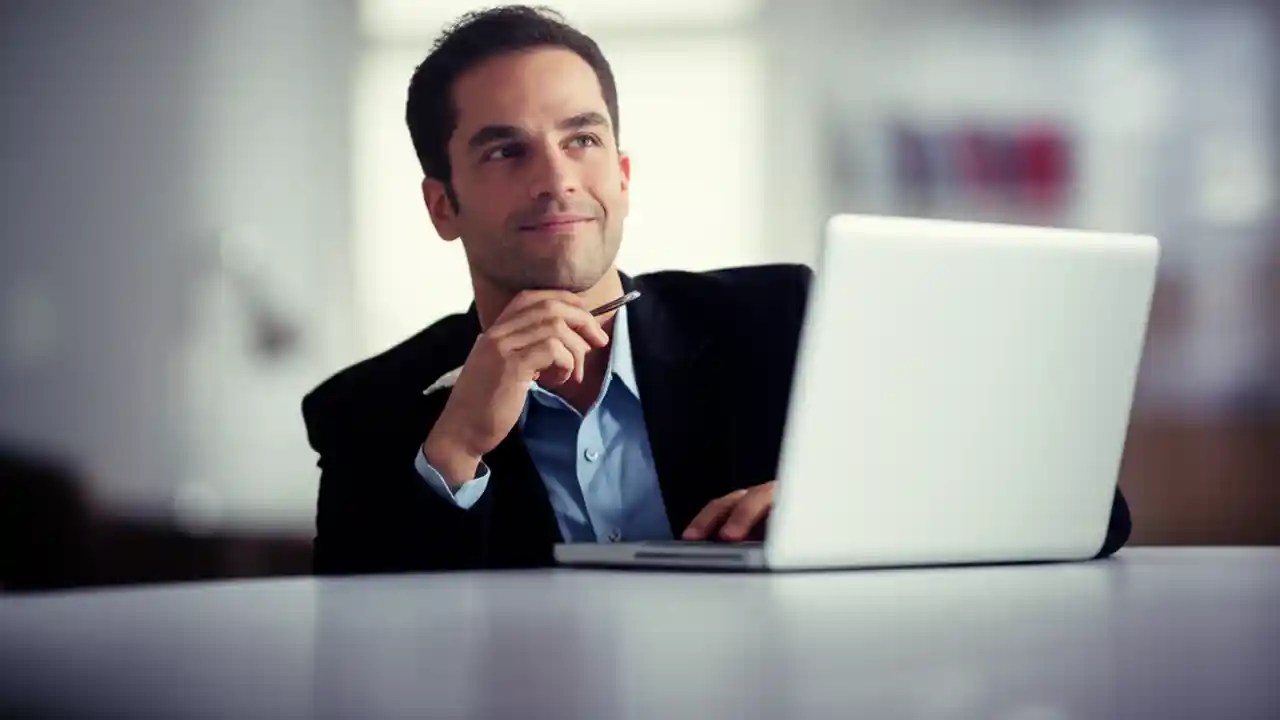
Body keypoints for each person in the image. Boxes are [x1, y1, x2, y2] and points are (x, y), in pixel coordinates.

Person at [302, 5, 1131, 574]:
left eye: (582, 139)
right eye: (504, 151)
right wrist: (454, 450)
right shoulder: (365, 411)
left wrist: (841, 509)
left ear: (623, 176)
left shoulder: (785, 323)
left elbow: (1091, 510)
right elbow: (353, 646)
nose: (557, 179)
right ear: (442, 206)